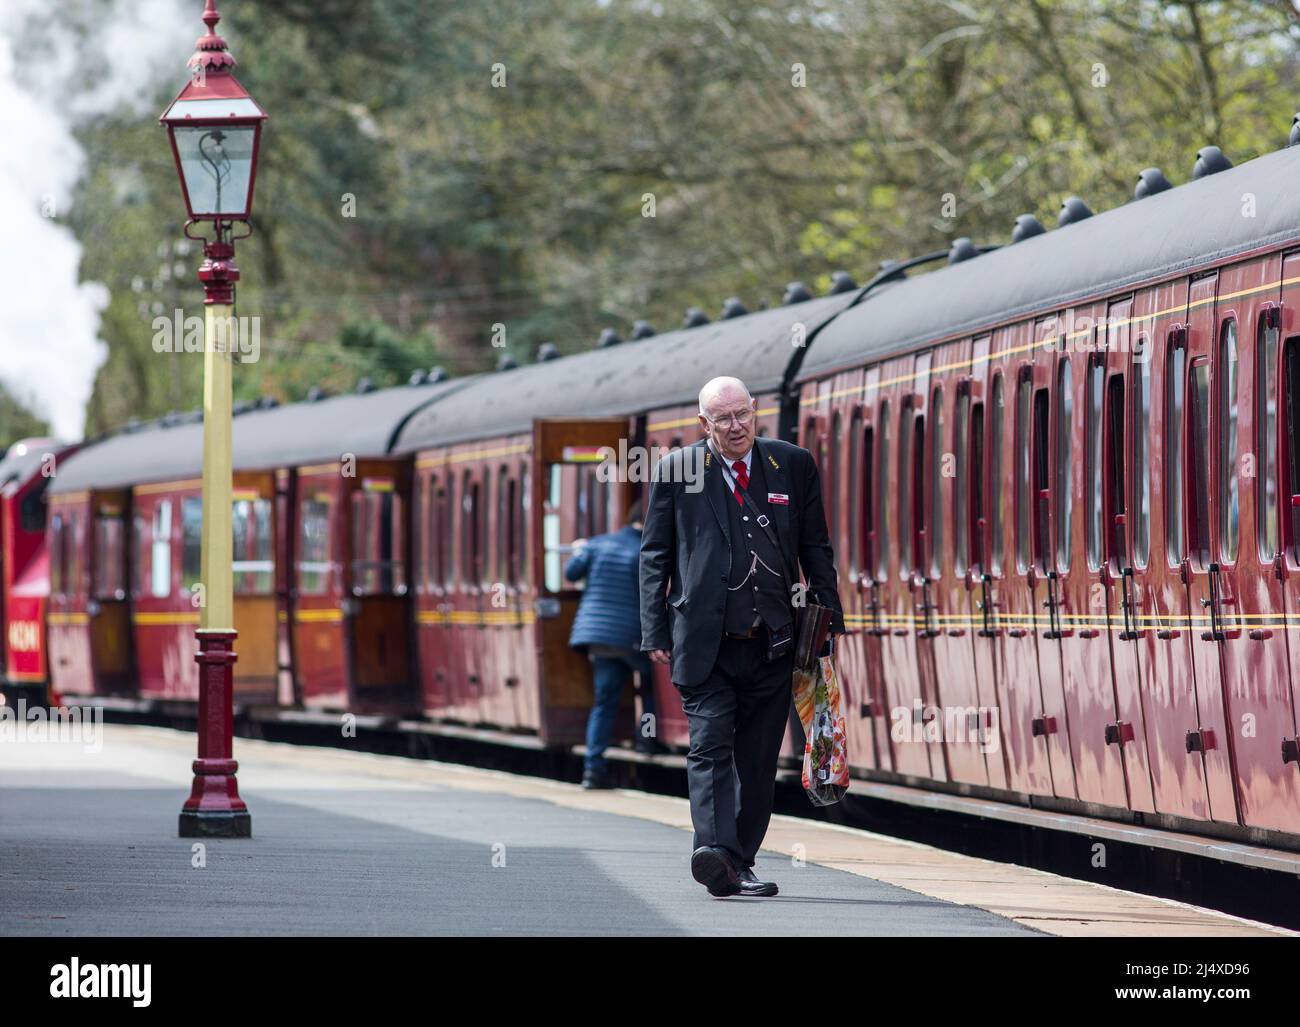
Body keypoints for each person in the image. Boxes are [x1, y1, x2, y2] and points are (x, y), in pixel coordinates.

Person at [639, 376, 844, 897]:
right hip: (705, 642)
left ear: (756, 410)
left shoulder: (791, 464)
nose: (737, 427)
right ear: (703, 424)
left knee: (757, 760)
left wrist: (826, 618)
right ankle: (712, 851)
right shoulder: (679, 471)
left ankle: (736, 860)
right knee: (709, 749)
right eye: (723, 420)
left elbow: (816, 546)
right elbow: (655, 555)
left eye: (743, 415)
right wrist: (654, 629)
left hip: (773, 640)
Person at [565, 499, 664, 790]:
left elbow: (571, 574)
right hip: (631, 635)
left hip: (597, 636)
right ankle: (647, 741)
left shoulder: (598, 544)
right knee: (648, 688)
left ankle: (593, 769)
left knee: (604, 701)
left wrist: (580, 548)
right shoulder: (646, 550)